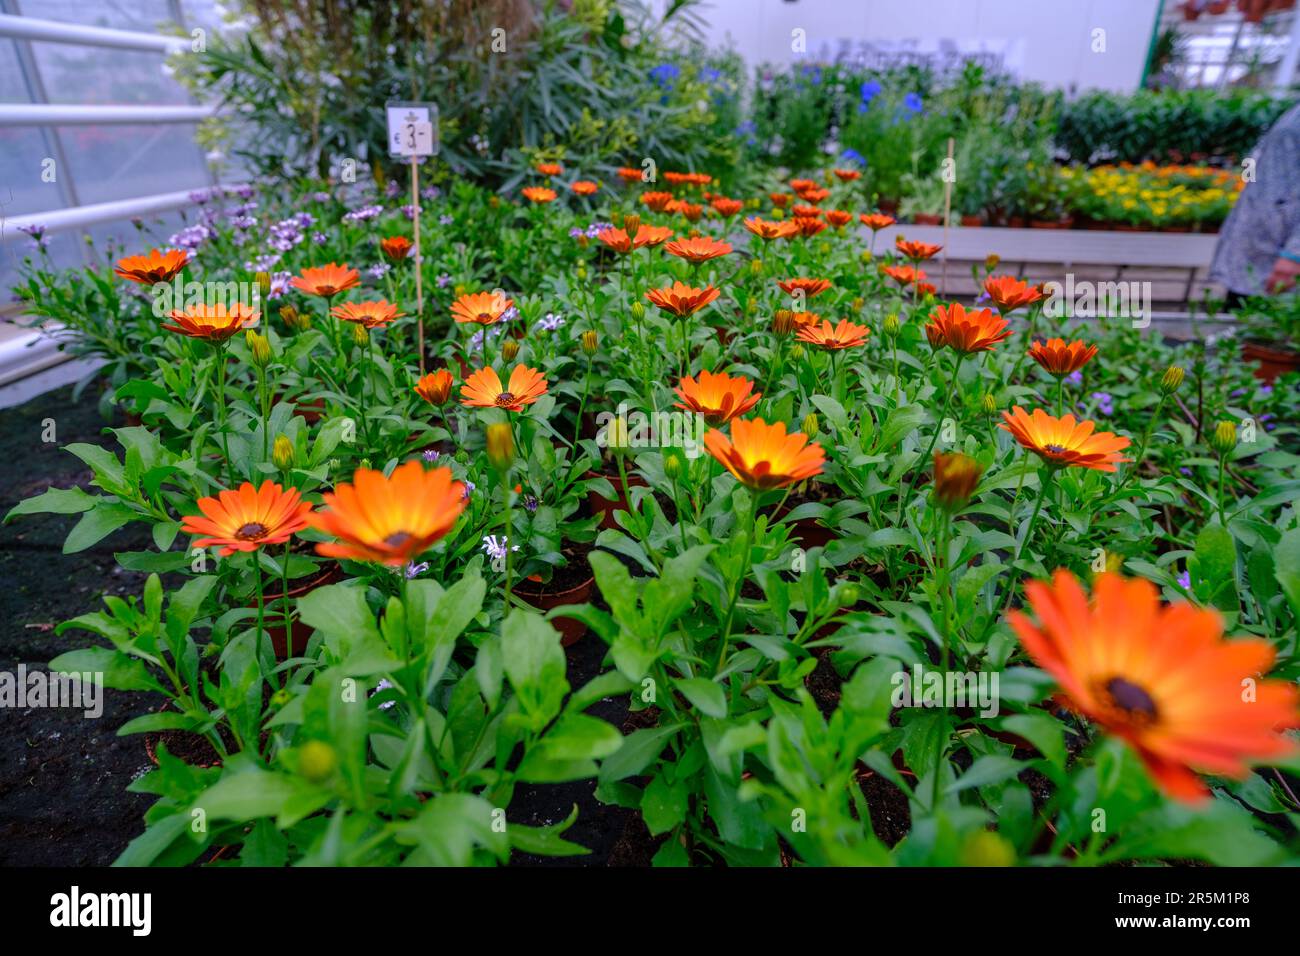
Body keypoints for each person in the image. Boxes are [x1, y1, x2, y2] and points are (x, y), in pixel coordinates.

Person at [1210, 102, 1300, 306]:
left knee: (1268, 330)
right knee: (1242, 328)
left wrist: (1295, 255)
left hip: (1281, 261)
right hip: (1256, 254)